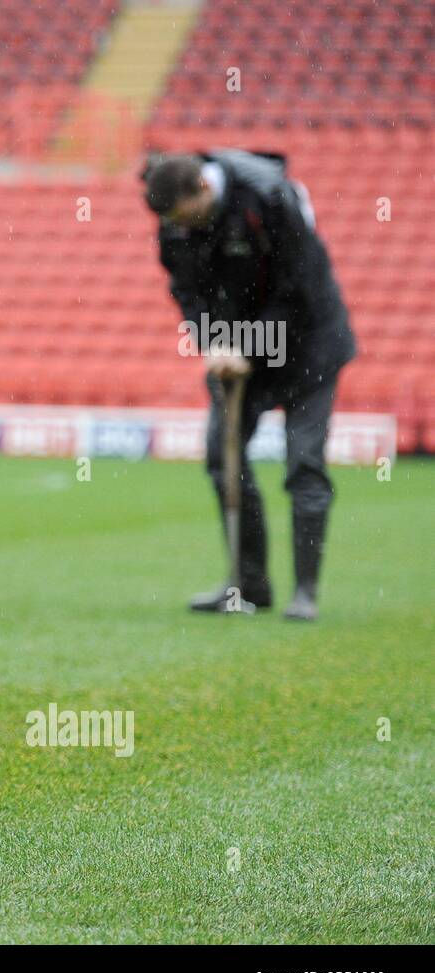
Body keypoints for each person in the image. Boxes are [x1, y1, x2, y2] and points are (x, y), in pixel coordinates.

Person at [144, 150, 355, 621]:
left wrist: (248, 348)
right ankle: (248, 586)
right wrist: (210, 342)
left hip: (310, 345)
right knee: (224, 456)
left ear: (203, 187)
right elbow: (186, 290)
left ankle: (305, 593)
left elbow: (297, 287)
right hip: (238, 346)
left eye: (187, 215)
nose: (184, 227)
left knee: (303, 463)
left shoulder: (269, 199)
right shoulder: (173, 219)